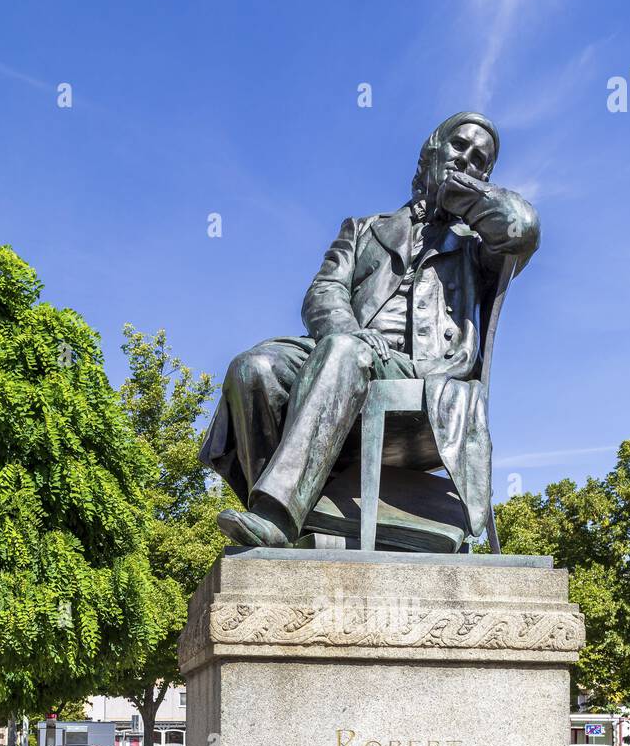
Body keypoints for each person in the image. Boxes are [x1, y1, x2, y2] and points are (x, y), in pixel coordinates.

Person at [200, 112, 540, 548]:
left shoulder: (479, 250)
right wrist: (349, 330)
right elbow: (323, 292)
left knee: (345, 352)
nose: (467, 160)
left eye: (480, 160)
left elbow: (523, 227)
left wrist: (465, 197)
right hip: (345, 355)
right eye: (459, 147)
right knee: (254, 367)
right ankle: (298, 514)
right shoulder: (364, 230)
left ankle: (278, 515)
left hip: (425, 379)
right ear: (431, 153)